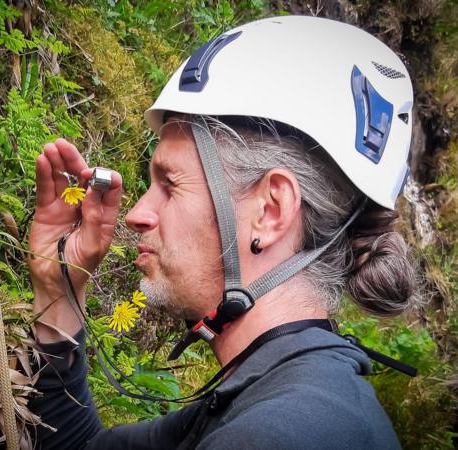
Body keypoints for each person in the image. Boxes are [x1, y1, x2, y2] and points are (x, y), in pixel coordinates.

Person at [27, 15, 417, 450]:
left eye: (170, 184)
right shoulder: (280, 398)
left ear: (270, 211)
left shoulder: (281, 433)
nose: (136, 213)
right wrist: (58, 288)